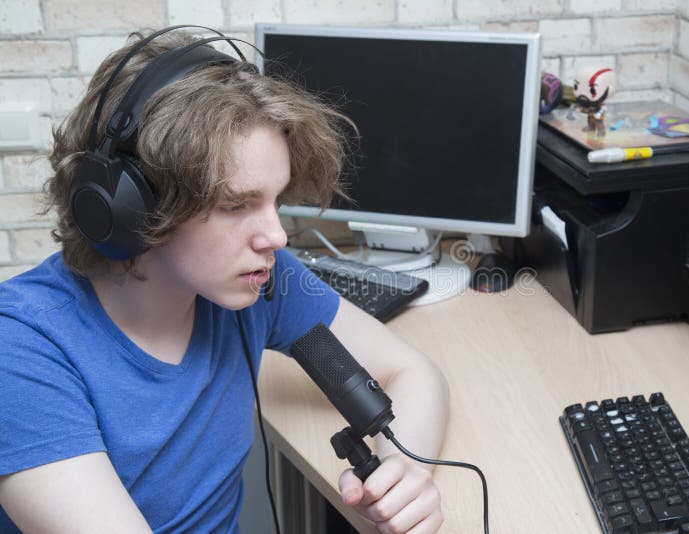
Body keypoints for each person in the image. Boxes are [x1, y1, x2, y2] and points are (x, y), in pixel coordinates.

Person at [0, 28, 449, 534]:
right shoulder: (20, 350)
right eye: (236, 205)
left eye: (275, 200)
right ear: (131, 206)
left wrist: (402, 476)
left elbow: (412, 371)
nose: (276, 236)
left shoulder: (260, 281)